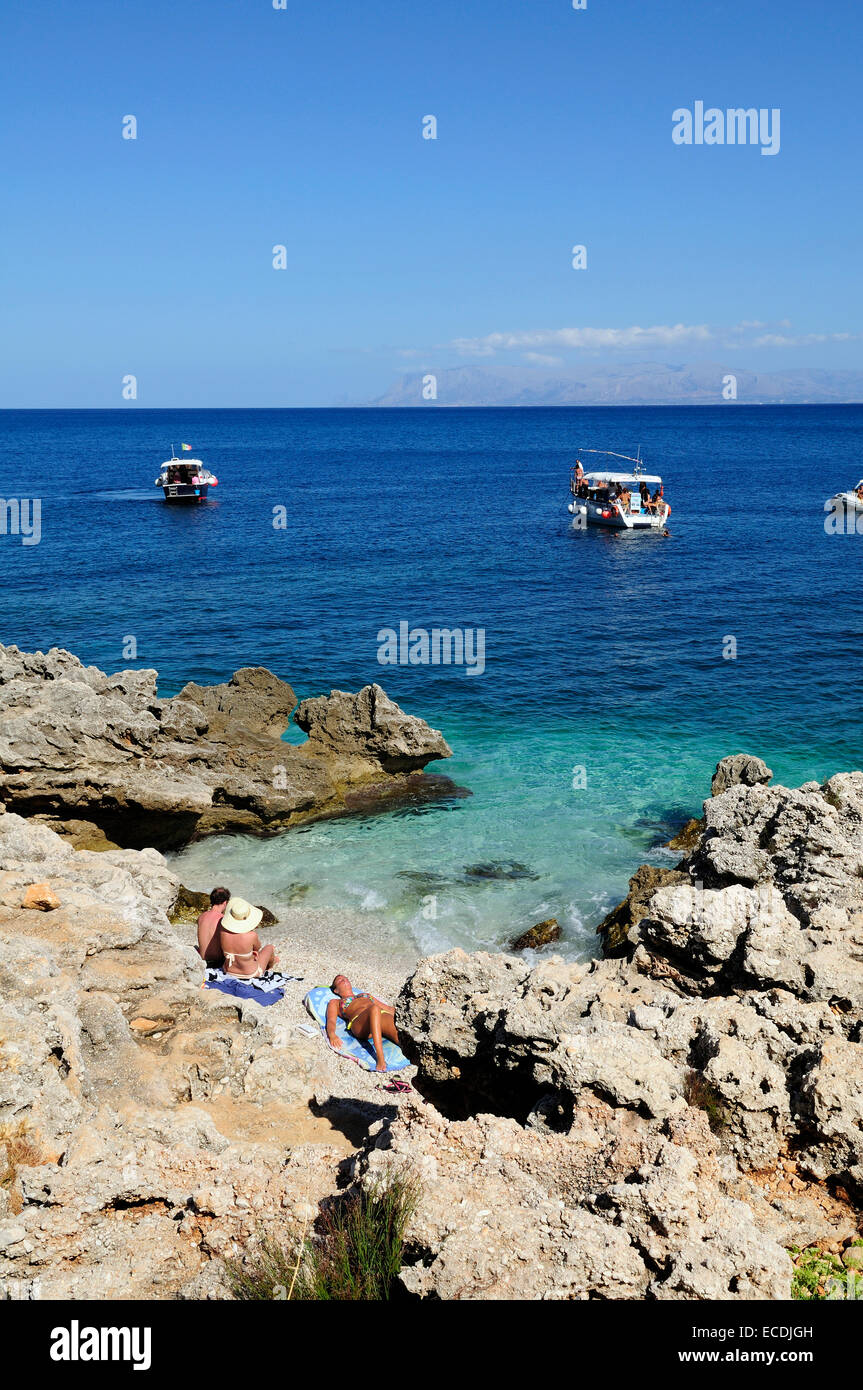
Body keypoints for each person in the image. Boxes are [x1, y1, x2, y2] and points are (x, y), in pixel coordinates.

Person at [326, 975, 400, 1073]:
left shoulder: (365, 995)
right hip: (360, 1023)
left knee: (401, 1037)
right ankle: (380, 1058)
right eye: (339, 980)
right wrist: (332, 1035)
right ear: (336, 990)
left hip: (379, 1016)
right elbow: (331, 1020)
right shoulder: (335, 1002)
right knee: (374, 1009)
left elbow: (389, 1009)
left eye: (345, 978)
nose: (344, 980)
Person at [217, 897, 279, 978]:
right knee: (269, 947)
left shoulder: (223, 932)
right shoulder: (251, 936)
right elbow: (257, 948)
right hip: (250, 974)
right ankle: (271, 964)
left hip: (228, 971)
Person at [196, 886, 231, 963]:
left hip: (203, 960)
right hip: (217, 962)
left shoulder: (201, 916)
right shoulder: (223, 919)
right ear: (225, 902)